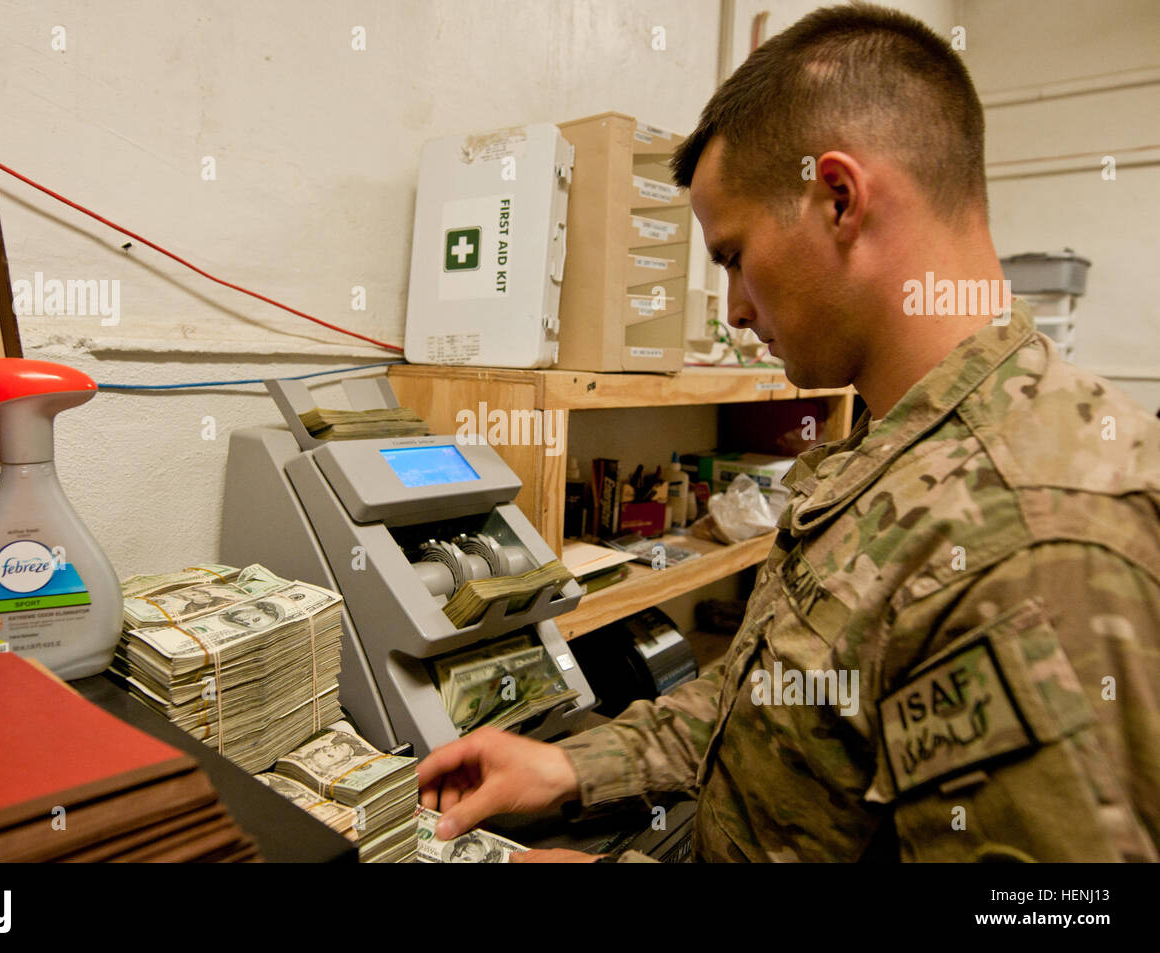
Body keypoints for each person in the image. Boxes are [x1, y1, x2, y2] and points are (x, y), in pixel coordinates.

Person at [417, 1, 1160, 862]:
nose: (732, 309)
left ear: (839, 198)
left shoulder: (1035, 534)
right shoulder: (900, 449)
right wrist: (573, 764)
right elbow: (778, 705)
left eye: (733, 256)